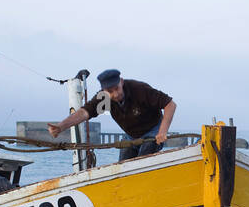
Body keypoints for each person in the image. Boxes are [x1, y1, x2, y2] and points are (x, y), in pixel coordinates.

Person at [47, 69, 177, 162]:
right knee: (123, 165)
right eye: (110, 91)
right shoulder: (104, 99)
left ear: (121, 82)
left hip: (152, 129)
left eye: (117, 88)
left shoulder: (139, 89)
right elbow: (84, 113)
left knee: (144, 156)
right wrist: (61, 126)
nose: (115, 94)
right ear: (104, 91)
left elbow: (170, 104)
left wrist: (162, 131)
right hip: (131, 135)